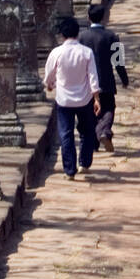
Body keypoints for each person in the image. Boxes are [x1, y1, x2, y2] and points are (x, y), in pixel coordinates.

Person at [44, 17, 101, 180]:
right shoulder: (86, 52)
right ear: (78, 33)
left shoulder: (57, 52)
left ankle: (69, 170)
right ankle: (84, 163)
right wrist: (96, 97)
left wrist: (49, 85)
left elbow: (49, 75)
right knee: (87, 131)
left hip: (64, 100)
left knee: (66, 134)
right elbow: (93, 77)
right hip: (84, 99)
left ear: (62, 34)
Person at [79, 4, 129, 154]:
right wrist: (124, 79)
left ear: (88, 17)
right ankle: (105, 131)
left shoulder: (81, 37)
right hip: (106, 81)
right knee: (108, 108)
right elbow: (119, 62)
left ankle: (94, 143)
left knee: (90, 111)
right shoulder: (113, 36)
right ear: (104, 17)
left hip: (86, 82)